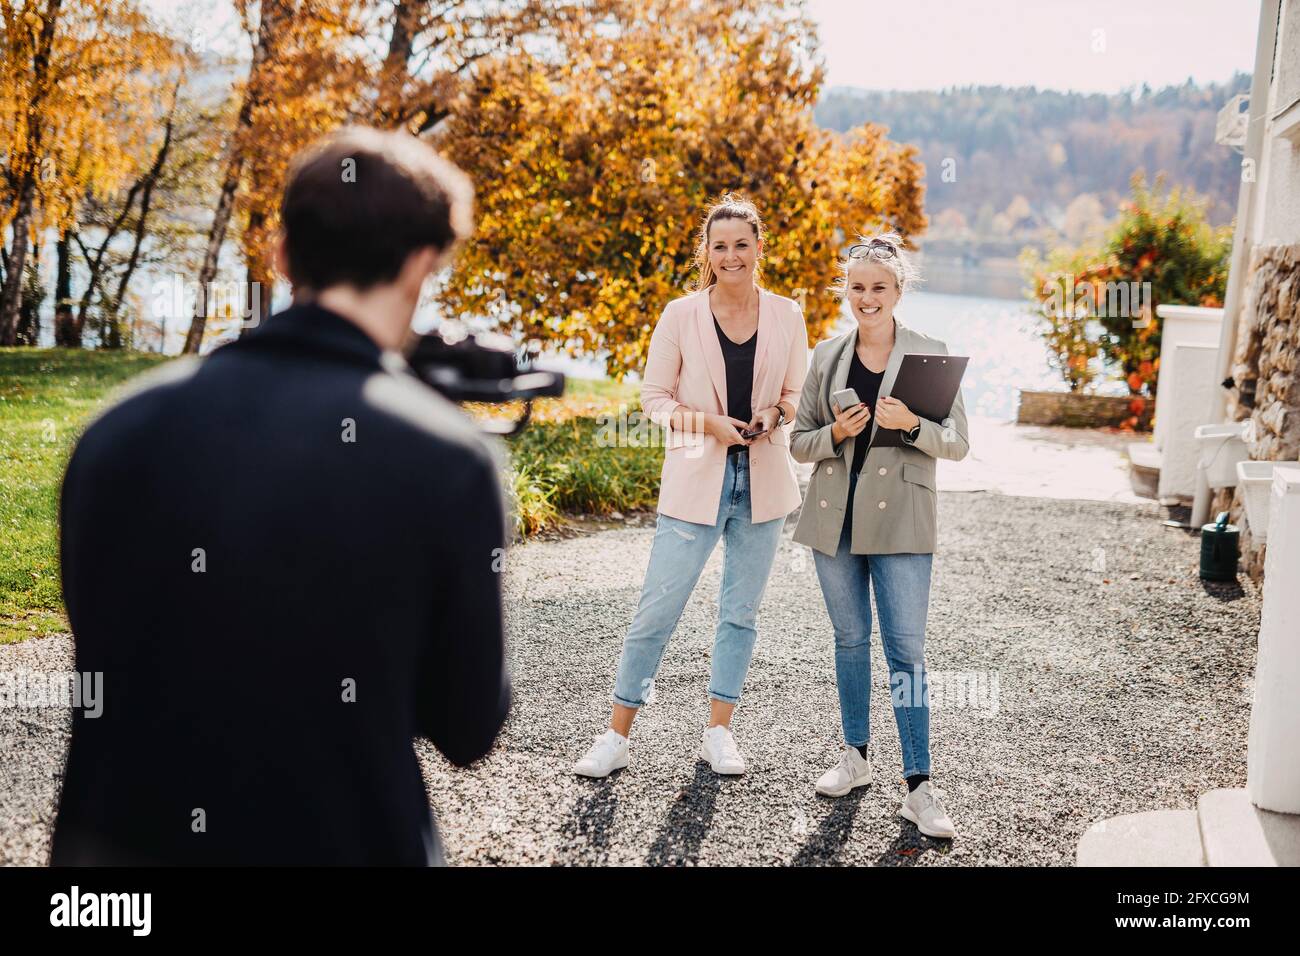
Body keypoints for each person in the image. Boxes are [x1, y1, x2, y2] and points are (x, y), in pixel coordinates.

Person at [51, 126, 510, 865]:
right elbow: (467, 726)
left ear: (283, 255)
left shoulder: (118, 431)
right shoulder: (443, 458)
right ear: (423, 262)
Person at [572, 195, 809, 778]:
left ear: (759, 249)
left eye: (742, 245)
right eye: (720, 245)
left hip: (763, 482)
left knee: (740, 615)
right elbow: (654, 400)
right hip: (696, 478)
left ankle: (718, 732)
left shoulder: (789, 314)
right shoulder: (680, 314)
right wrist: (709, 424)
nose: (731, 256)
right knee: (658, 610)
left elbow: (796, 397)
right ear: (707, 251)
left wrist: (774, 417)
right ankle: (616, 736)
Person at [789, 233, 970, 839]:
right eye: (857, 287)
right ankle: (856, 759)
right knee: (849, 640)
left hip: (903, 523)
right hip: (834, 521)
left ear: (899, 291)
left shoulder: (931, 354)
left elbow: (959, 443)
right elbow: (798, 443)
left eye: (879, 288)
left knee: (906, 652)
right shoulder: (826, 356)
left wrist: (912, 423)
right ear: (846, 290)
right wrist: (836, 434)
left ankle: (919, 787)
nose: (867, 298)